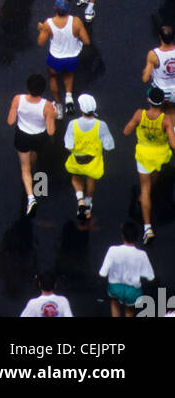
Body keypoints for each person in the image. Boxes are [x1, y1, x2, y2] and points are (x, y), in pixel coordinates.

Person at [123, 87, 175, 246]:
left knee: (144, 189)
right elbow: (173, 143)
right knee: (153, 178)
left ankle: (147, 228)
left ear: (148, 100)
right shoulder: (166, 120)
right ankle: (151, 191)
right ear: (162, 102)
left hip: (144, 155)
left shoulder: (139, 114)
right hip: (159, 155)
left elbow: (126, 131)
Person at [8, 72, 56, 215]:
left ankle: (30, 197)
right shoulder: (47, 106)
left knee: (24, 167)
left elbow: (10, 121)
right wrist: (53, 115)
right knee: (34, 158)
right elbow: (51, 131)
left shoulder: (18, 99)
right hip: (39, 137)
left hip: (23, 135)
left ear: (28, 87)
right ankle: (39, 186)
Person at [64, 92, 114, 222]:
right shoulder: (101, 125)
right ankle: (87, 206)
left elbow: (68, 146)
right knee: (91, 181)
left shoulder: (72, 124)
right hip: (93, 162)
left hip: (77, 160)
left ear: (81, 108)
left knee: (76, 178)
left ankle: (79, 200)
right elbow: (109, 146)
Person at [38, 0, 89, 117]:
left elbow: (40, 42)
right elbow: (86, 41)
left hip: (55, 57)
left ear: (55, 9)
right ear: (68, 9)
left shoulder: (48, 24)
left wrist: (41, 30)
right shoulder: (76, 22)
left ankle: (59, 107)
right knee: (69, 73)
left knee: (53, 77)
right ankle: (69, 97)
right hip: (72, 57)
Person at [99, 223, 154, 318]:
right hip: (132, 290)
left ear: (122, 235)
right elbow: (150, 277)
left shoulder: (112, 250)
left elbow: (102, 273)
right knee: (129, 312)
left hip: (115, 287)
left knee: (114, 304)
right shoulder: (142, 255)